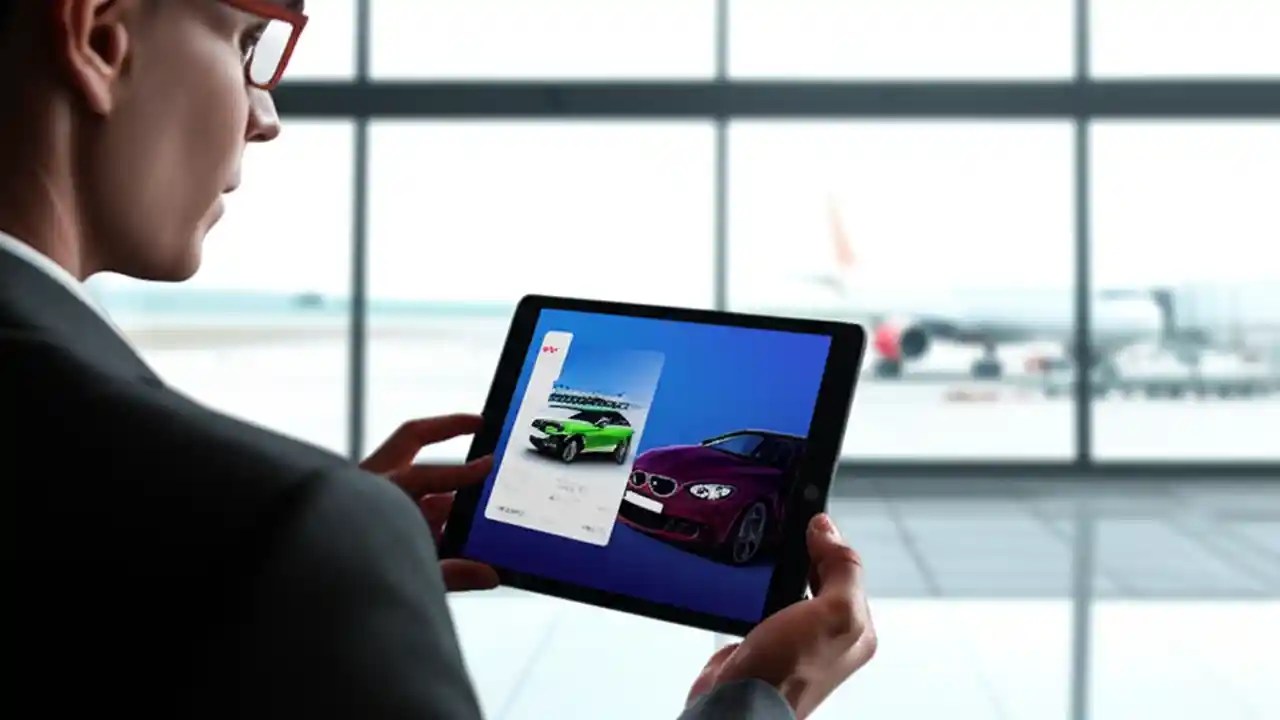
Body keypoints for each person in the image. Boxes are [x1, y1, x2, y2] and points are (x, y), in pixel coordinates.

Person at [0, 1, 877, 718]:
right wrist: (758, 702)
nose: (264, 116)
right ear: (99, 37)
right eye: (247, 43)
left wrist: (329, 577)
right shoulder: (274, 528)